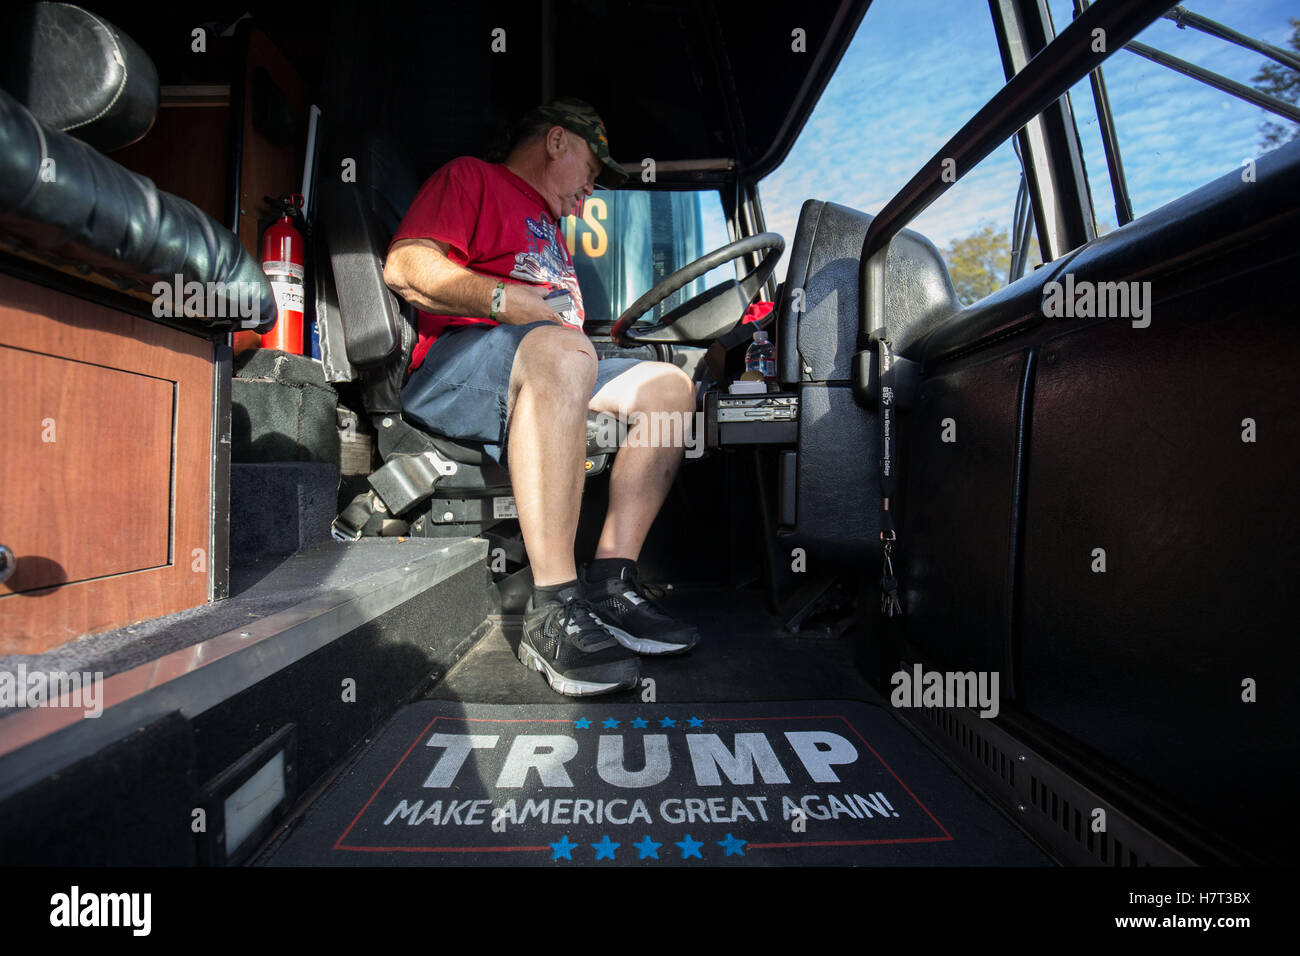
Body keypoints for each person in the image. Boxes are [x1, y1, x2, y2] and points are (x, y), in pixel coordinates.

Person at [383, 98, 700, 698]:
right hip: (461, 368)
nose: (592, 186)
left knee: (670, 387)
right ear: (557, 141)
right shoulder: (471, 178)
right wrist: (508, 301)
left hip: (550, 360)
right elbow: (406, 265)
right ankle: (552, 609)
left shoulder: (552, 228)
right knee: (565, 352)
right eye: (591, 165)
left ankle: (611, 580)